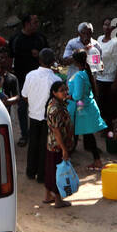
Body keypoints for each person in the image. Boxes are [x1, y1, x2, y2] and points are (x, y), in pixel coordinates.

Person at [22, 48, 61, 183]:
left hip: (34, 114)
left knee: (33, 143)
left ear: (39, 60)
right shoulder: (55, 79)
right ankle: (42, 174)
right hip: (47, 118)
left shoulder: (30, 75)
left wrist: (34, 104)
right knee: (45, 146)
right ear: (53, 62)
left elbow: (24, 96)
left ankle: (31, 171)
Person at [9, 13, 48, 146]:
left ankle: (36, 133)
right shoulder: (16, 39)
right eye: (35, 22)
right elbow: (9, 57)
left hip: (40, 79)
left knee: (40, 104)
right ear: (26, 24)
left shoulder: (41, 38)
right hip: (21, 78)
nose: (37, 24)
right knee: (22, 106)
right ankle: (24, 134)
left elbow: (48, 55)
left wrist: (39, 56)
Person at [67, 50, 106, 171]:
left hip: (81, 109)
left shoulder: (79, 75)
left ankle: (67, 158)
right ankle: (97, 160)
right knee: (87, 135)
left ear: (74, 61)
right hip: (87, 108)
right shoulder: (86, 72)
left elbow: (77, 96)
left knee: (76, 134)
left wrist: (68, 96)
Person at [43, 79, 75, 208]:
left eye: (65, 90)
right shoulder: (56, 108)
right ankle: (58, 199)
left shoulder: (56, 104)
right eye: (61, 91)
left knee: (50, 170)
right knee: (58, 172)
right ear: (54, 93)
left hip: (52, 144)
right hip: (57, 146)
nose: (65, 92)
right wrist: (64, 149)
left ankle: (47, 196)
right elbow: (56, 131)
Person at [94, 17, 117, 127]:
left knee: (110, 107)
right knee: (100, 104)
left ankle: (109, 130)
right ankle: (102, 127)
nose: (107, 27)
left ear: (114, 28)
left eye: (109, 25)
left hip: (110, 80)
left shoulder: (115, 43)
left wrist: (115, 83)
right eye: (105, 24)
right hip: (99, 78)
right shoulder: (99, 39)